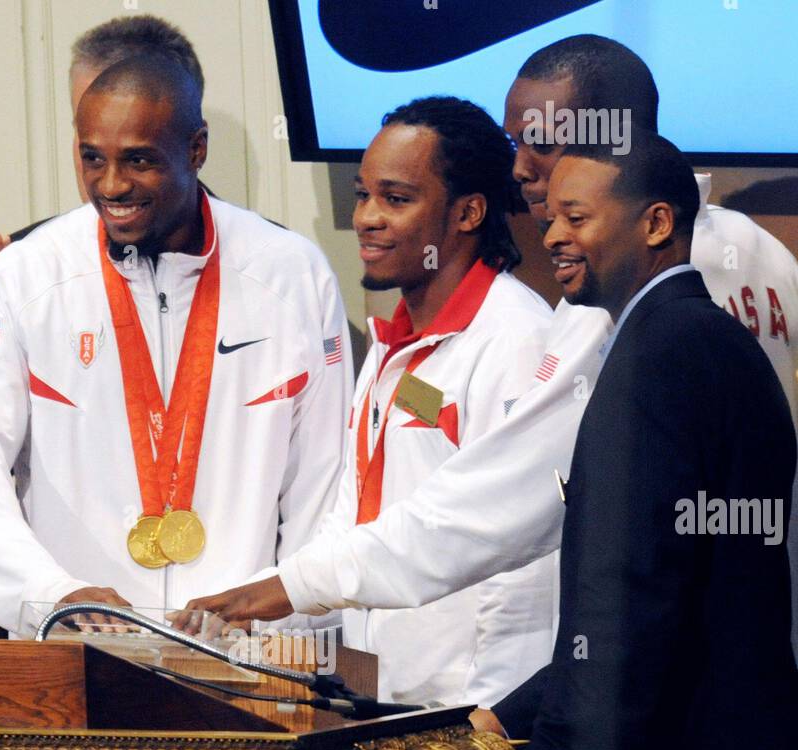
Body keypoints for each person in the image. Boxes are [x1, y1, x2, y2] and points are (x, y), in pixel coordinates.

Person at [184, 37, 798, 662]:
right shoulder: (768, 260)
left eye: (544, 142)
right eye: (515, 145)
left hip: (657, 670)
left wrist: (493, 717)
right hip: (754, 646)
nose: (522, 168)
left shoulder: (607, 304)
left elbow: (505, 512)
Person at [426, 134, 798, 750]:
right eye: (551, 219)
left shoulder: (658, 354)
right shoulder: (702, 338)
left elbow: (636, 588)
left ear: (656, 224)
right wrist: (507, 718)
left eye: (578, 217)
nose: (555, 235)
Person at [0, 53, 351, 636]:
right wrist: (54, 596)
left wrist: (282, 627)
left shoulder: (293, 274)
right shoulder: (20, 280)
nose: (111, 185)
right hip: (74, 652)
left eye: (139, 161)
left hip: (249, 661)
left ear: (196, 149)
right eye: (91, 158)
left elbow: (324, 483)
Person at [201, 96, 556, 707]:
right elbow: (352, 521)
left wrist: (494, 714)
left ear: (469, 212)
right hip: (388, 699)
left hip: (473, 715)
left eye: (396, 198)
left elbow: (520, 556)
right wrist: (249, 622)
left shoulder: (517, 338)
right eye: (363, 194)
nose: (366, 217)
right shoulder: (394, 344)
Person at [0, 15, 206, 281]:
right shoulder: (25, 263)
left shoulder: (257, 253)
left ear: (196, 148)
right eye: (86, 134)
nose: (111, 184)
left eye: (136, 155)